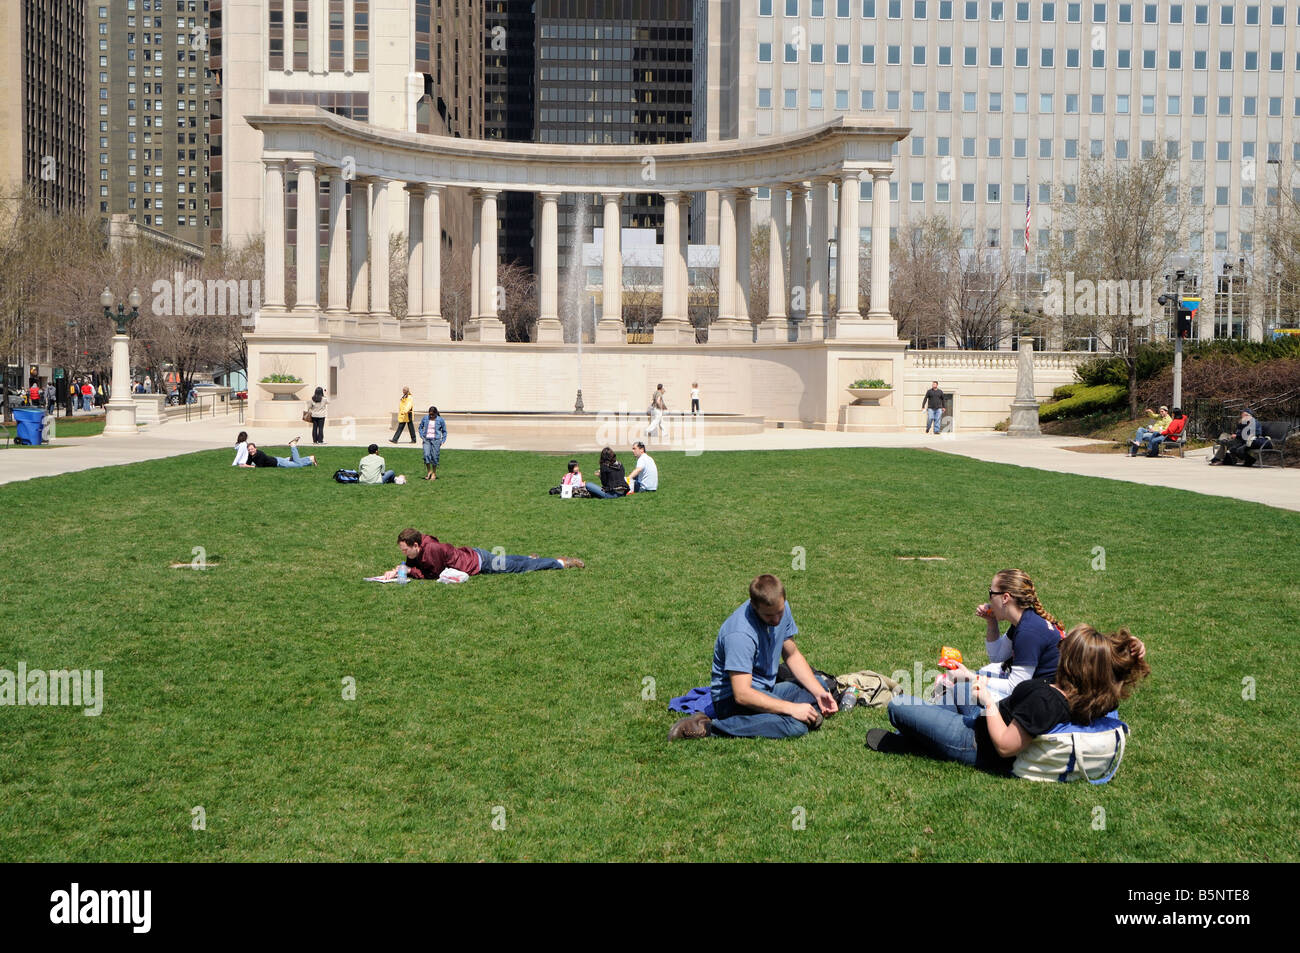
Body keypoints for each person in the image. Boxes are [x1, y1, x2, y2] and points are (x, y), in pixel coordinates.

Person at [866, 625, 1149, 775]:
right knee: (958, 687)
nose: (1059, 648)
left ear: (1074, 664)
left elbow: (1004, 746)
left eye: (1065, 647)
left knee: (899, 706)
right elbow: (1111, 676)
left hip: (974, 742)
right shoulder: (1092, 695)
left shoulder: (1047, 701)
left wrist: (988, 702)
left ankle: (914, 742)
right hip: (987, 720)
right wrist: (1132, 651)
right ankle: (923, 734)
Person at [668, 574, 839, 740]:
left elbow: (792, 654)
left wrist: (819, 694)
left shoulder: (781, 608)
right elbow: (742, 694)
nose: (777, 619)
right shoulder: (740, 634)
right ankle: (709, 728)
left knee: (821, 684)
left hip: (766, 689)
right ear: (754, 605)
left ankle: (784, 715)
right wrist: (791, 708)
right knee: (796, 726)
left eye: (780, 612)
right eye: (769, 616)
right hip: (732, 702)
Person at [936, 569, 1066, 705]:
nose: (989, 599)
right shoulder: (1024, 620)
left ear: (1005, 598)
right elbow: (997, 656)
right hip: (1034, 692)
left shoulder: (1028, 632)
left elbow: (1014, 687)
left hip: (1040, 703)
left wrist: (972, 677)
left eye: (991, 593)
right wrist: (991, 621)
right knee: (956, 683)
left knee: (960, 689)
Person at [382, 527, 584, 581]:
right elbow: (416, 563)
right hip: (477, 555)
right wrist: (399, 569)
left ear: (415, 545)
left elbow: (431, 574)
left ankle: (561, 563)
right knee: (512, 560)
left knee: (520, 568)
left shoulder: (431, 550)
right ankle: (532, 558)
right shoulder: (424, 544)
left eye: (405, 549)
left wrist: (409, 571)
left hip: (479, 563)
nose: (404, 553)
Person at [238, 437, 317, 468]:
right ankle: (310, 459)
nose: (250, 451)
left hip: (279, 463)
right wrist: (244, 465)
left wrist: (246, 466)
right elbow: (248, 462)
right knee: (297, 462)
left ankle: (293, 446)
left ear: (256, 448)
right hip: (277, 459)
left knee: (298, 465)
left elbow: (260, 467)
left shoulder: (259, 454)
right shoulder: (251, 454)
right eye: (249, 449)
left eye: (252, 449)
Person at [418, 405, 447, 480]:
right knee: (426, 455)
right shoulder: (425, 418)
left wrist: (443, 440)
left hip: (436, 440)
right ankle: (429, 471)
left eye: (432, 414)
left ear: (436, 413)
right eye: (429, 414)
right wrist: (421, 435)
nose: (431, 416)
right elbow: (420, 427)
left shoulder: (440, 420)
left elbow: (444, 431)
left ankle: (434, 473)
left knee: (434, 457)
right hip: (426, 440)